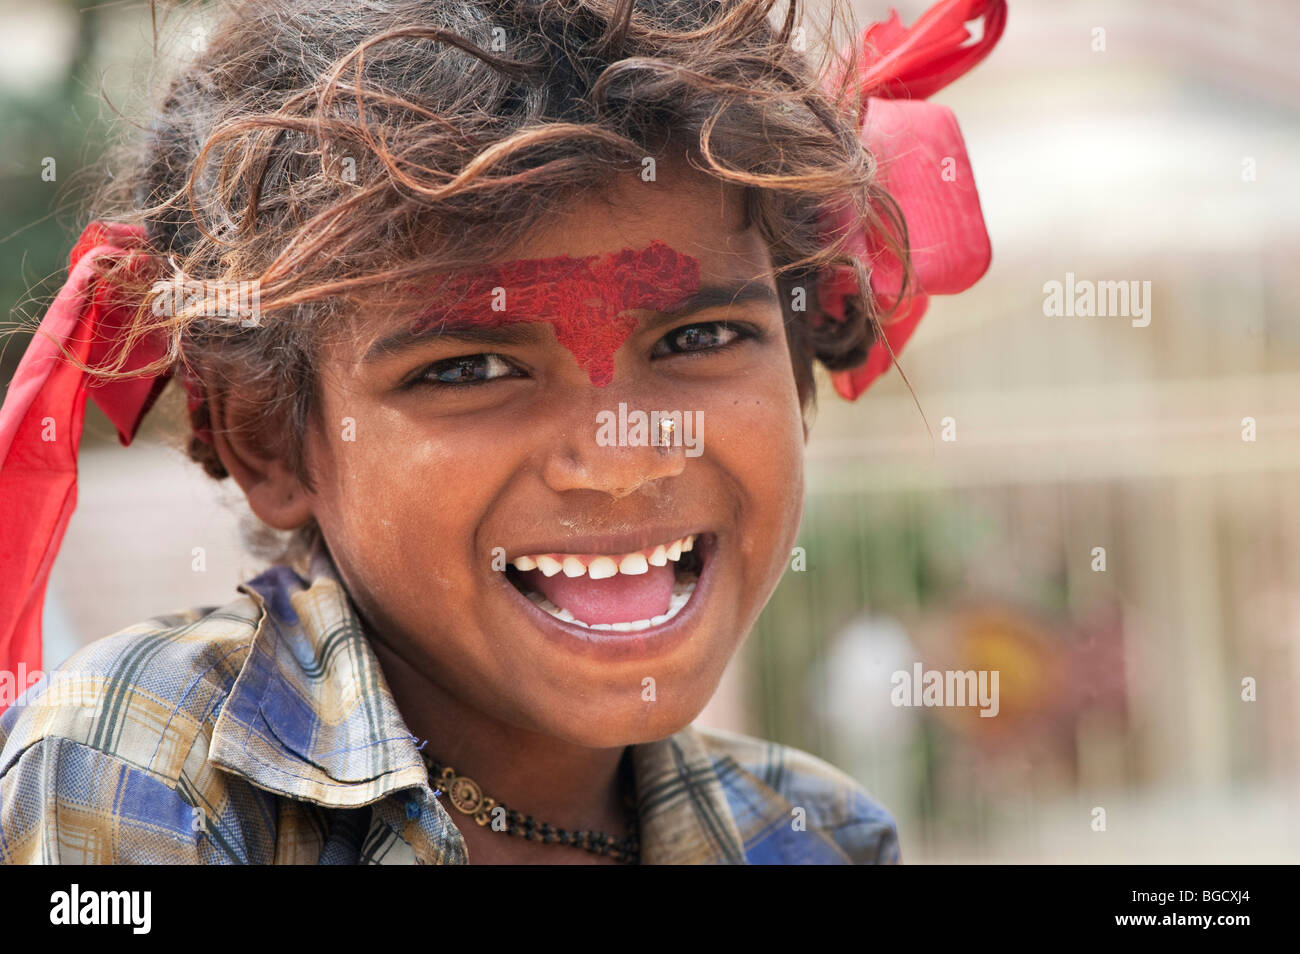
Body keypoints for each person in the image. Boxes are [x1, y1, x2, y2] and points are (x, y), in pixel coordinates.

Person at [0, 0, 1004, 864]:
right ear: (268, 437)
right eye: (470, 370)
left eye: (697, 338)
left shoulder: (816, 836)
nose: (620, 459)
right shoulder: (151, 761)